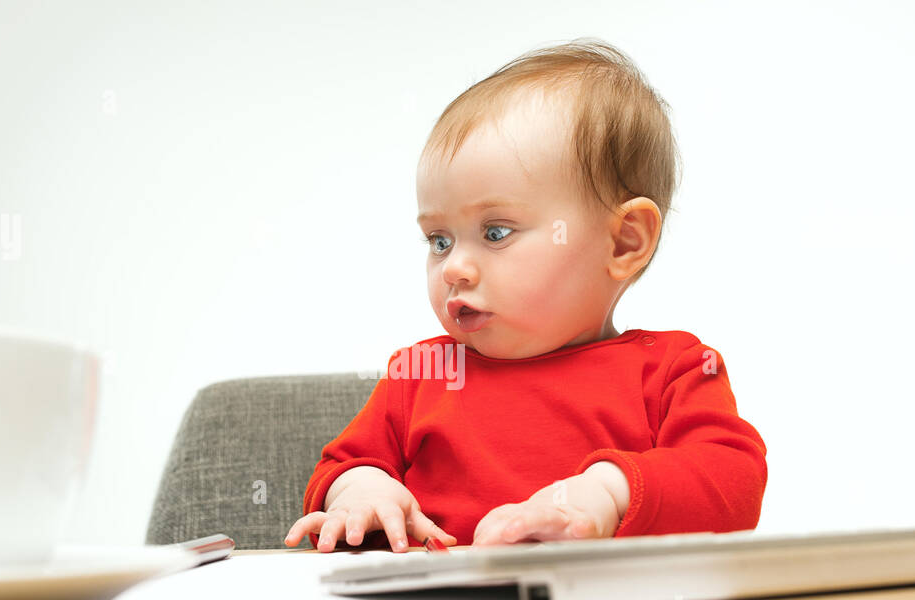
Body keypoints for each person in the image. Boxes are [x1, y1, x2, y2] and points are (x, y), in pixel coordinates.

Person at [285, 38, 767, 552]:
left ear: (624, 241)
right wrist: (362, 490)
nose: (455, 268)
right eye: (439, 241)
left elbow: (733, 481)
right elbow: (341, 466)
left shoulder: (674, 369)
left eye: (496, 232)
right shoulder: (419, 374)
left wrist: (607, 493)